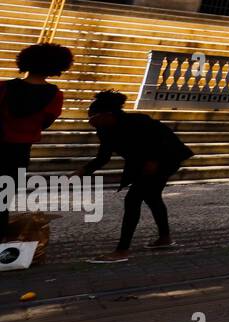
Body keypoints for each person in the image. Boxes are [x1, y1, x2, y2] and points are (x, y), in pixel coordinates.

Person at [75, 91, 193, 262]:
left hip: (166, 159)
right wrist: (83, 171)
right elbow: (103, 157)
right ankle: (165, 238)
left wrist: (154, 160)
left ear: (108, 115)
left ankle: (122, 250)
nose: (90, 121)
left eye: (92, 117)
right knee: (152, 198)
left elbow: (163, 140)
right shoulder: (104, 130)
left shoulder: (138, 121)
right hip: (143, 163)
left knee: (133, 200)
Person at [0, 44, 74, 233]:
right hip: (20, 151)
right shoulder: (55, 95)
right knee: (3, 198)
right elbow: (45, 123)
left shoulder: (3, 88)